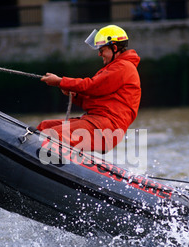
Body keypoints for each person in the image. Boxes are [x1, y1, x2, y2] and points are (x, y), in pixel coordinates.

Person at [37, 25, 141, 153]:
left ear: (114, 48)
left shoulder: (123, 67)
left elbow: (91, 86)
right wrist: (75, 96)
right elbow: (93, 98)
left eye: (102, 50)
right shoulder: (115, 68)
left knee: (54, 135)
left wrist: (60, 81)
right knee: (44, 126)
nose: (99, 54)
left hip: (105, 128)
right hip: (96, 122)